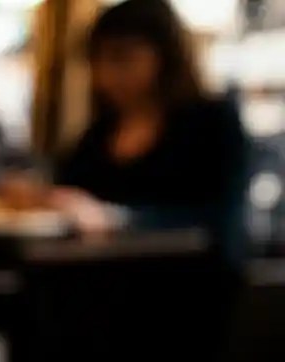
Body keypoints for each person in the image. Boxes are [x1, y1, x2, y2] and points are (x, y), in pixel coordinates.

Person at [52, 0, 250, 269]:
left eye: (122, 58)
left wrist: (118, 218)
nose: (105, 76)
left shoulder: (210, 123)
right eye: (97, 60)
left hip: (185, 285)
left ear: (164, 56)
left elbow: (221, 223)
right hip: (95, 285)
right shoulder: (98, 134)